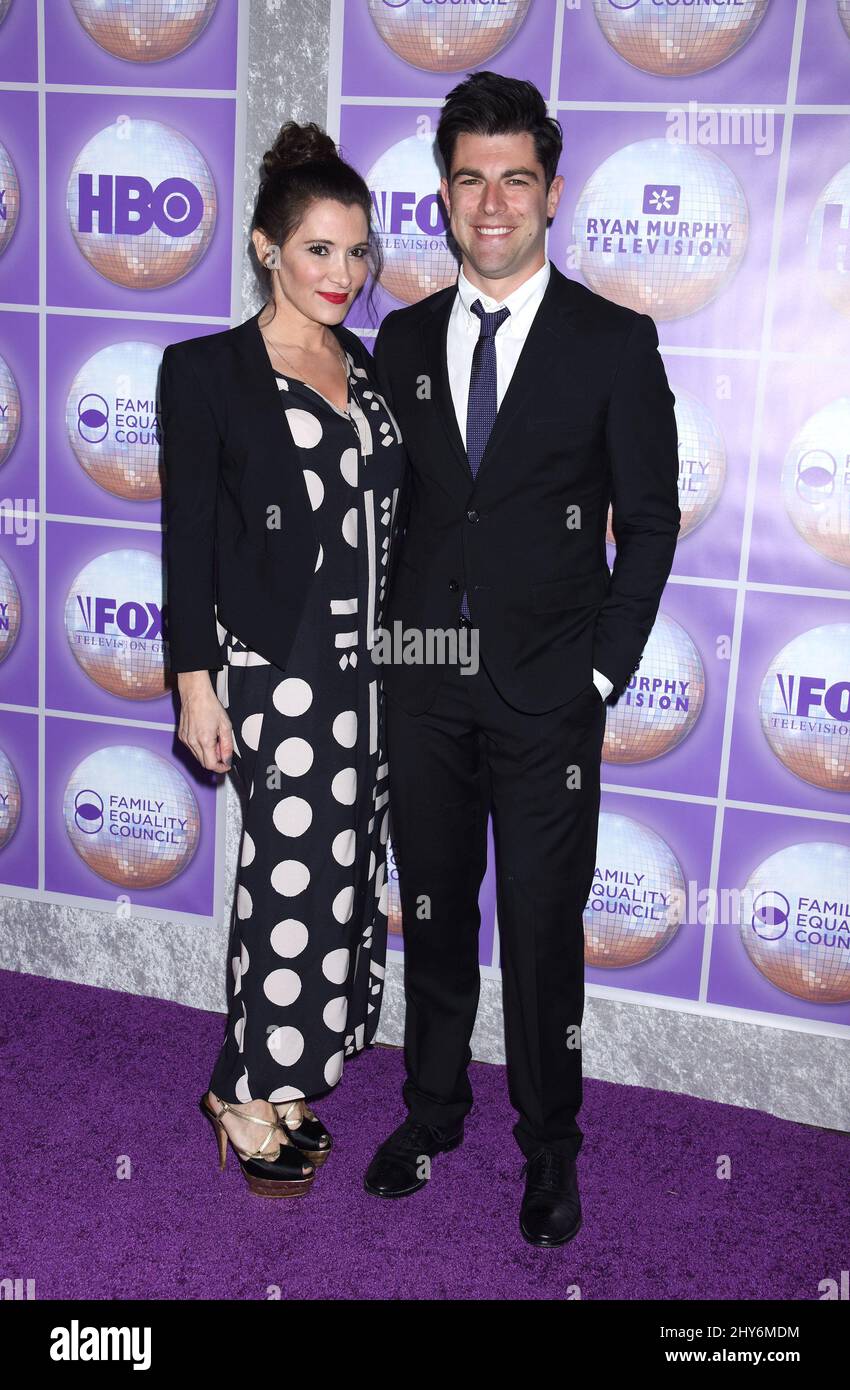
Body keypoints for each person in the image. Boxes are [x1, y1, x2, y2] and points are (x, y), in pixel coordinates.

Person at [364, 72, 680, 1245]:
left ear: (550, 191)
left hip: (552, 698)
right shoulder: (395, 339)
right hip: (424, 684)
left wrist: (600, 672)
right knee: (437, 920)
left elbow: (647, 519)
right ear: (443, 198)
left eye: (513, 179)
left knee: (544, 934)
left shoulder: (612, 339)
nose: (489, 203)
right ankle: (432, 1111)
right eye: (466, 179)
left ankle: (551, 1148)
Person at [159, 121, 406, 1198]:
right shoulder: (208, 371)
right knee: (288, 880)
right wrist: (194, 683)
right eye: (318, 250)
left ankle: (284, 1064)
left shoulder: (363, 358)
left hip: (374, 670)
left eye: (357, 253)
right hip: (281, 670)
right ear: (266, 247)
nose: (343, 274)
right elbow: (186, 544)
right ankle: (242, 1087)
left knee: (345, 883)